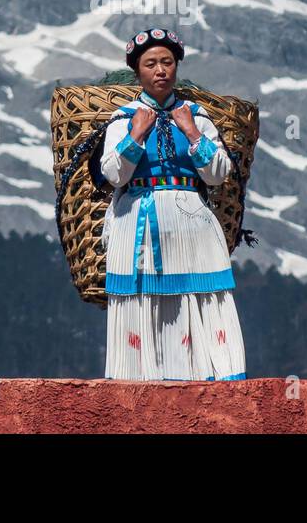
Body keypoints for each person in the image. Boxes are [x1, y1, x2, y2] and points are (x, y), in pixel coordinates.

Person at [98, 26, 247, 381]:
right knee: (140, 302)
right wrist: (137, 134)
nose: (160, 70)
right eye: (151, 64)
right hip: (139, 222)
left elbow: (218, 172)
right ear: (138, 72)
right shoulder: (123, 119)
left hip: (192, 223)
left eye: (167, 62)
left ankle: (213, 381)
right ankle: (138, 385)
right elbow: (113, 174)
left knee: (204, 294)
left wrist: (192, 132)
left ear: (177, 66)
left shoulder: (196, 115)